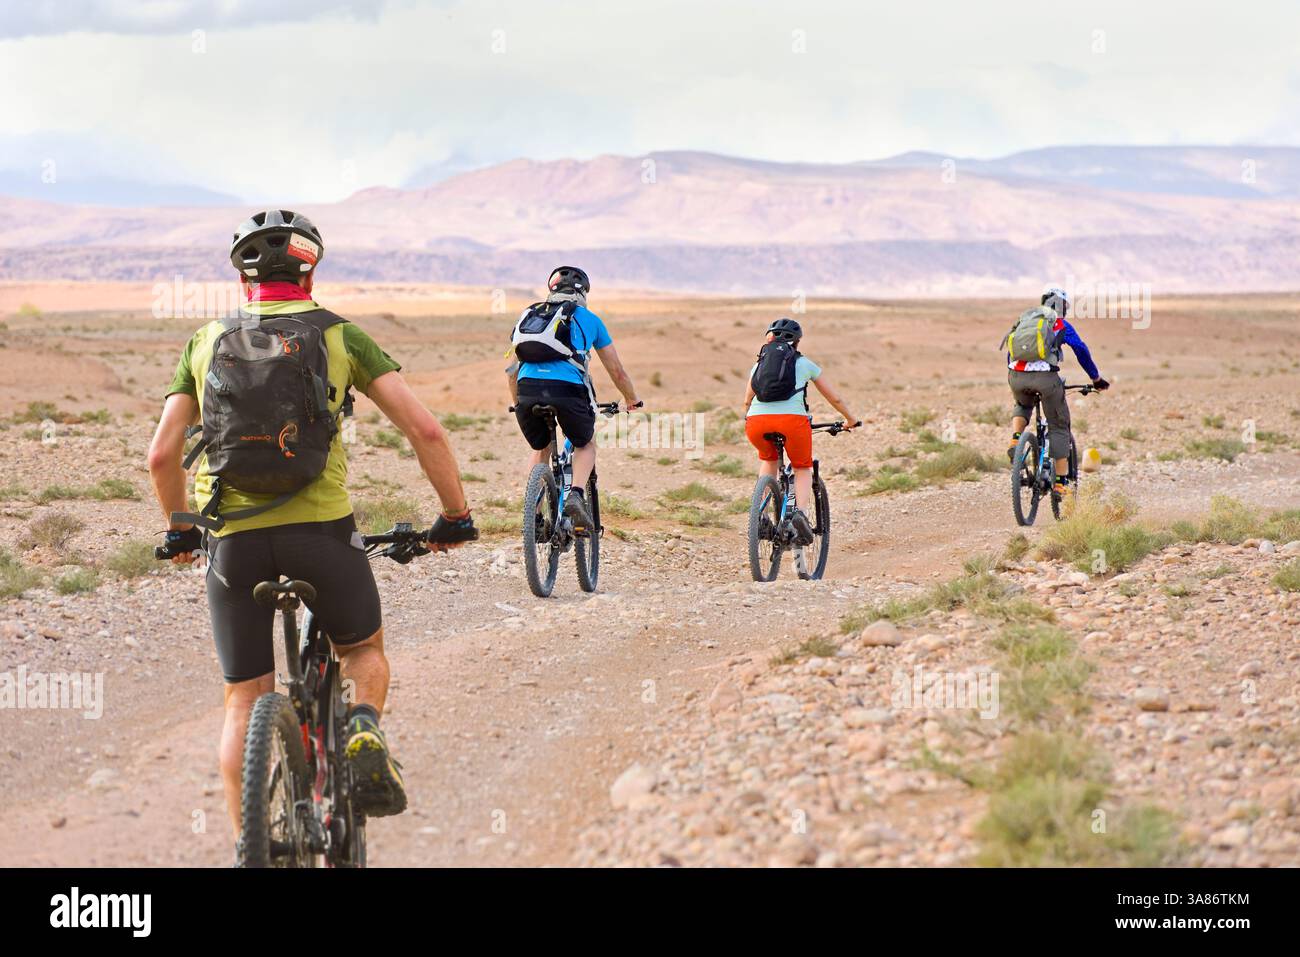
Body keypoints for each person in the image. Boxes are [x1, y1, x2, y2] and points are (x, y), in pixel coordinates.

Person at [147, 209, 477, 841]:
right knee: (363, 650)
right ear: (310, 266)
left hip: (233, 541)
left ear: (243, 278)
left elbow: (162, 454)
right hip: (322, 533)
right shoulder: (340, 335)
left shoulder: (205, 338)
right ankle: (361, 725)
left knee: (244, 697)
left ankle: (252, 843)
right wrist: (454, 518)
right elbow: (426, 429)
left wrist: (182, 530)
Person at [506, 266, 642, 532]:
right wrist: (631, 399)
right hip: (568, 392)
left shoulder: (529, 317)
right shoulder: (589, 319)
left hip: (527, 390)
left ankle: (531, 518)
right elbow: (617, 370)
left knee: (541, 448)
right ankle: (576, 495)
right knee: (586, 444)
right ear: (583, 293)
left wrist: (518, 403)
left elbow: (511, 370)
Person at [742, 318, 860, 544]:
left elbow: (747, 400)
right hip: (792, 422)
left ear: (769, 338)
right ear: (797, 342)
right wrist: (850, 419)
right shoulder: (805, 364)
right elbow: (833, 397)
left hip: (756, 422)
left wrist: (751, 420)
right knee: (802, 466)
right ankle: (800, 515)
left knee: (769, 460)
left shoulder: (758, 365)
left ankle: (761, 514)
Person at [1005, 284, 1111, 498]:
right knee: (1059, 426)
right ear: (1063, 307)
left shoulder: (1026, 320)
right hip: (1047, 380)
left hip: (1015, 376)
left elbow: (1010, 351)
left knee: (1023, 404)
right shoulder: (1060, 323)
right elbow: (1080, 349)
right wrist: (1095, 378)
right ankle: (1061, 483)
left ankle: (1016, 439)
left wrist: (1016, 374)